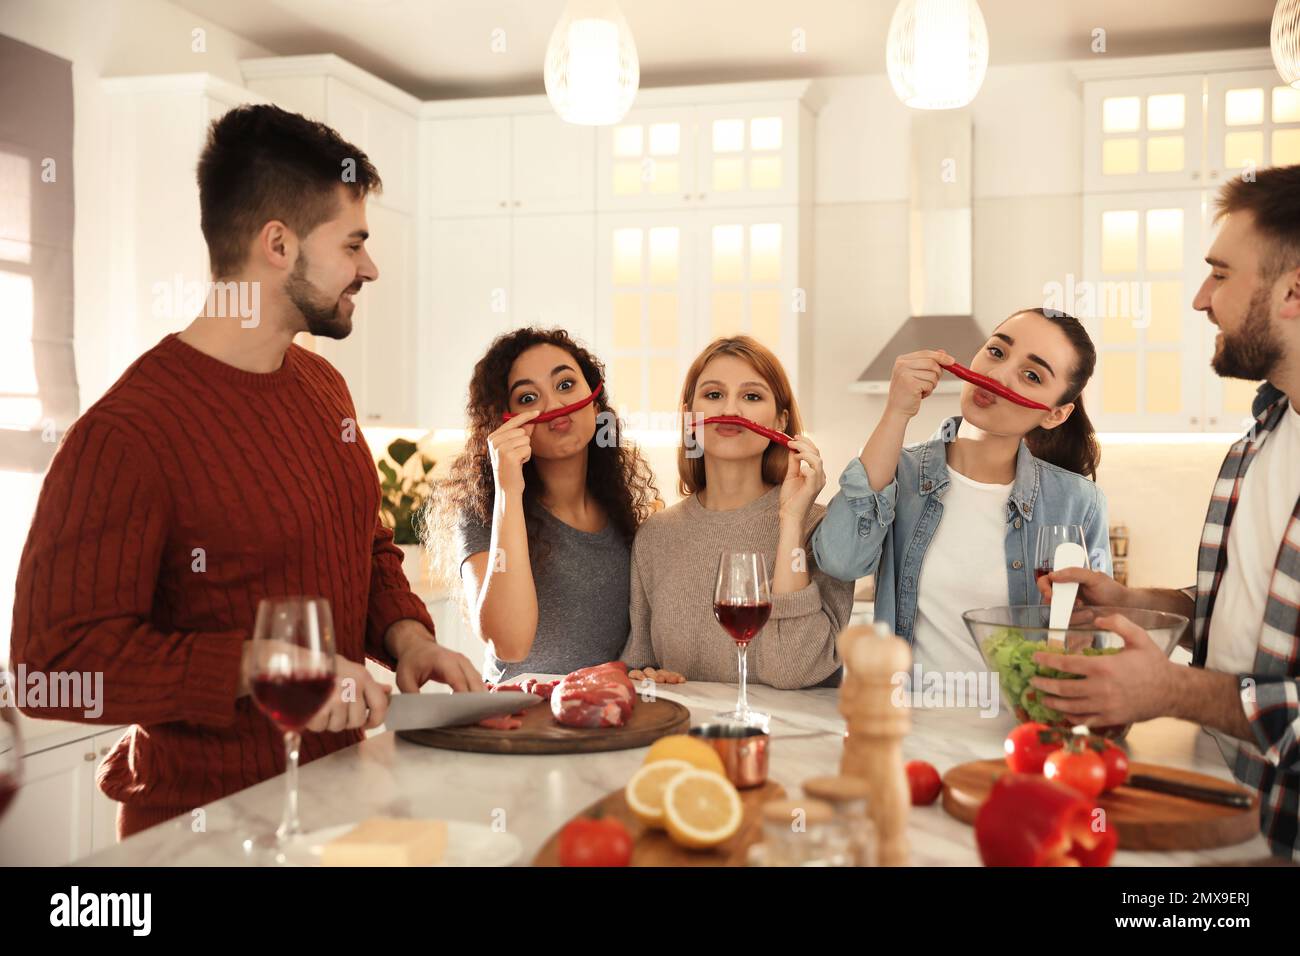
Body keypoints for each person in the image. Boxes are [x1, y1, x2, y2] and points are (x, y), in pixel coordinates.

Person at [11, 104, 478, 838]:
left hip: (337, 803)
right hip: (200, 829)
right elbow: (50, 666)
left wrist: (406, 639)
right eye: (354, 243)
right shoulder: (128, 433)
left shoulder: (322, 387)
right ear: (278, 244)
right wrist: (252, 666)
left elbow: (365, 545)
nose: (370, 267)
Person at [1036, 166, 1300, 860]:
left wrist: (1172, 689)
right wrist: (1143, 601)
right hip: (1231, 805)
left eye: (1220, 274)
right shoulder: (1264, 434)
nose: (1198, 299)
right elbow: (1255, 608)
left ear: (1294, 292)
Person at [813, 308, 1111, 677]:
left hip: (1019, 727)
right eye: (997, 352)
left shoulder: (1078, 503)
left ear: (1055, 414)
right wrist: (896, 411)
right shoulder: (898, 472)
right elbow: (840, 561)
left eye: (1031, 375)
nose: (997, 375)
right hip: (910, 725)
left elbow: (1093, 645)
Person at [424, 327, 658, 683]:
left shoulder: (625, 507)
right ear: (503, 420)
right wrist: (508, 491)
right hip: (524, 720)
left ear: (595, 403)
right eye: (528, 398)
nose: (554, 406)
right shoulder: (484, 511)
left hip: (609, 714)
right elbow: (510, 644)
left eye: (565, 385)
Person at [620, 335, 853, 689]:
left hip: (793, 743)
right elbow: (639, 668)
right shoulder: (655, 535)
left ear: (780, 420)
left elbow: (794, 671)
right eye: (713, 395)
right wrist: (649, 677)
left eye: (752, 396)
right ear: (688, 416)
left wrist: (790, 522)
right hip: (688, 741)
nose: (730, 409)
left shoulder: (821, 528)